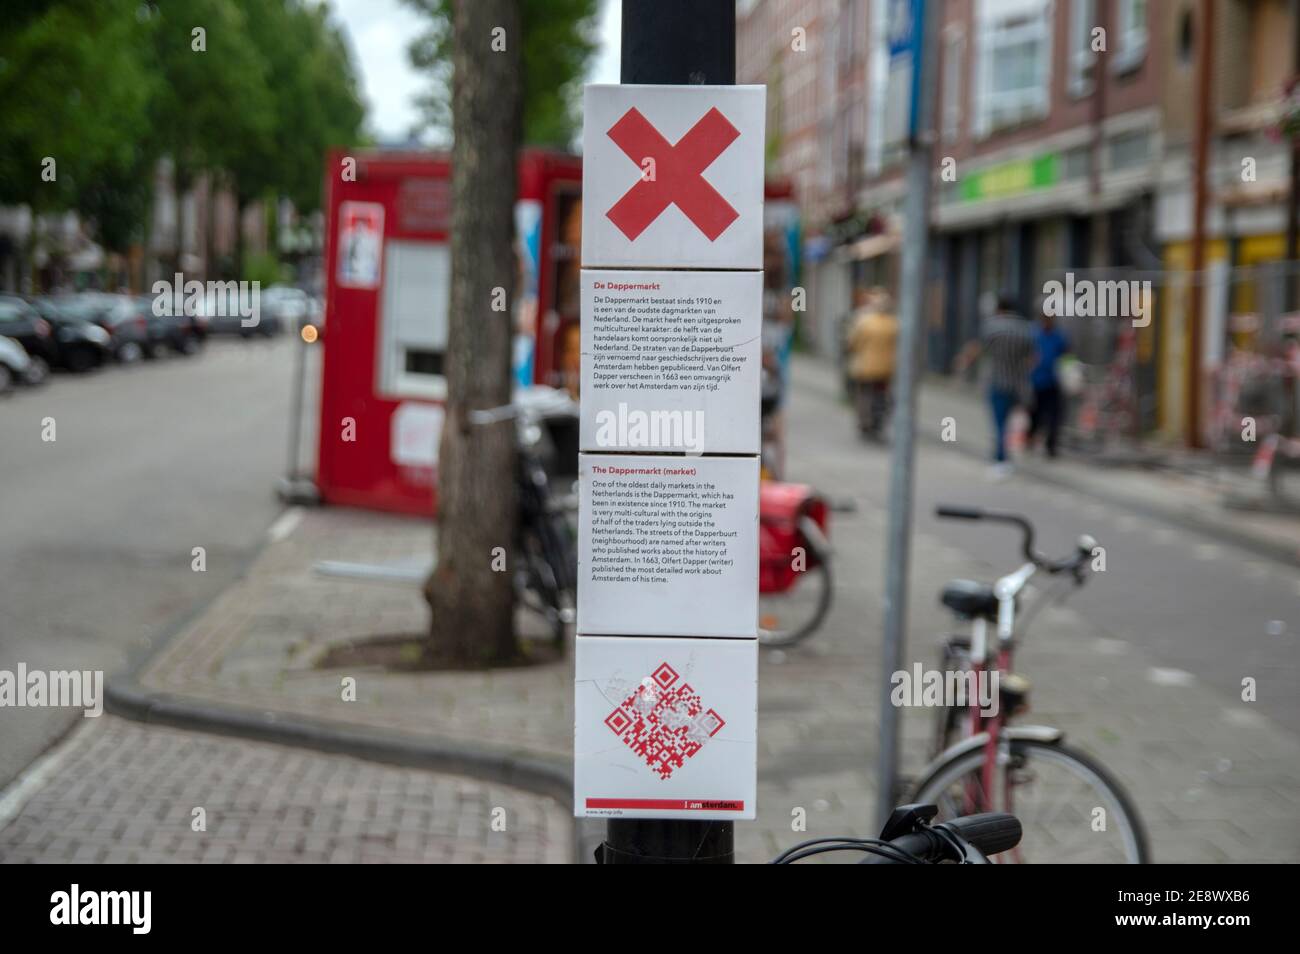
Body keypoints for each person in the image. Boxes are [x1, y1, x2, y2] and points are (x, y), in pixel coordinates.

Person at [957, 294, 1036, 474]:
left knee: (999, 423)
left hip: (997, 381)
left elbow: (976, 349)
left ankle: (1000, 458)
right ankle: (1007, 453)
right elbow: (1033, 358)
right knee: (1012, 421)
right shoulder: (1024, 328)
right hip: (1019, 383)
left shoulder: (992, 327)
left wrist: (964, 362)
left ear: (999, 308)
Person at [846, 286, 899, 440]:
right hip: (886, 369)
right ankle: (882, 418)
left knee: (864, 395)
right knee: (884, 393)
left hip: (866, 368)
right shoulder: (893, 323)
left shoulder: (864, 322)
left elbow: (853, 342)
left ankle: (865, 421)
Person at [1027, 310, 1070, 458]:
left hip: (1053, 382)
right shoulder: (1033, 334)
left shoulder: (1058, 336)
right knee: (1035, 414)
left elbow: (1066, 355)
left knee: (1054, 416)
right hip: (1036, 381)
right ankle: (1031, 436)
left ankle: (1051, 445)